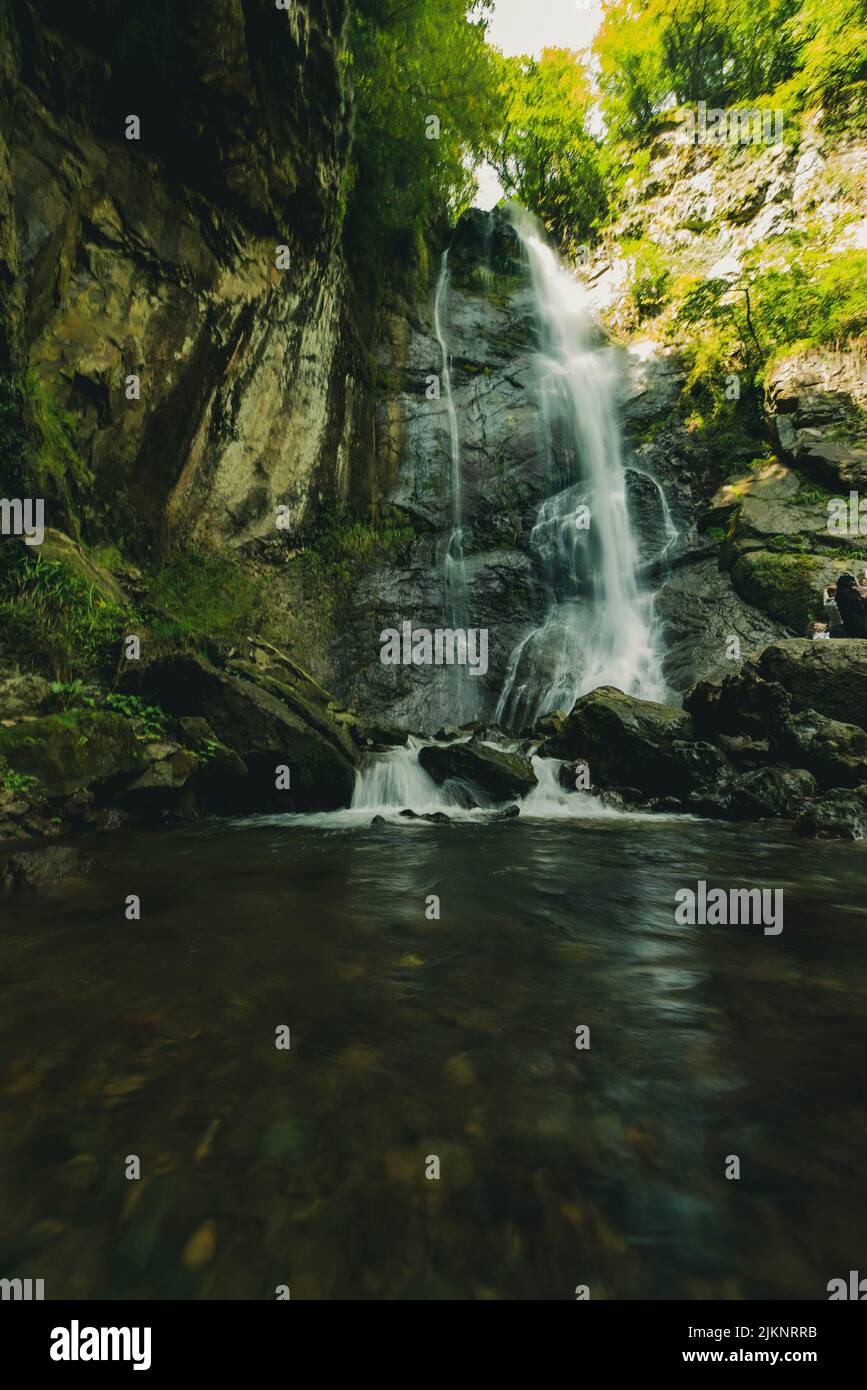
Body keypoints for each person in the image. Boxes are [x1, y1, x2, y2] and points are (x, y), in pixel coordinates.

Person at [830, 573, 867, 638]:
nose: (854, 583)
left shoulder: (842, 593)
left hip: (852, 623)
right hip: (858, 623)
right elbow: (859, 605)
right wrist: (864, 597)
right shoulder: (846, 593)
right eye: (852, 582)